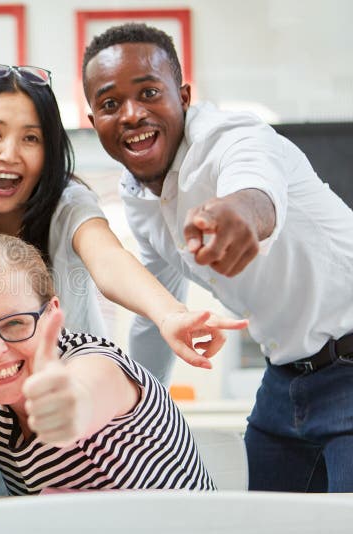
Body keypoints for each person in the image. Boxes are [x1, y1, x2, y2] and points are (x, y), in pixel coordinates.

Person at [81, 23, 353, 492]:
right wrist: (135, 411)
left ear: (183, 97)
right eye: (109, 104)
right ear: (94, 121)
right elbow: (157, 314)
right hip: (285, 382)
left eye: (149, 92)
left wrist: (239, 215)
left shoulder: (232, 136)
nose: (131, 114)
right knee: (257, 522)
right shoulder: (138, 199)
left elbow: (257, 189)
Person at [0, 64, 246, 372]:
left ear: (50, 152)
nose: (9, 153)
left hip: (74, 385)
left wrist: (169, 315)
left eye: (31, 139)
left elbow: (109, 259)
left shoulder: (68, 203)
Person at [0, 233, 215, 530]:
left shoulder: (95, 361)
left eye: (16, 323)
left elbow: (86, 395)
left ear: (51, 314)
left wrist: (67, 407)